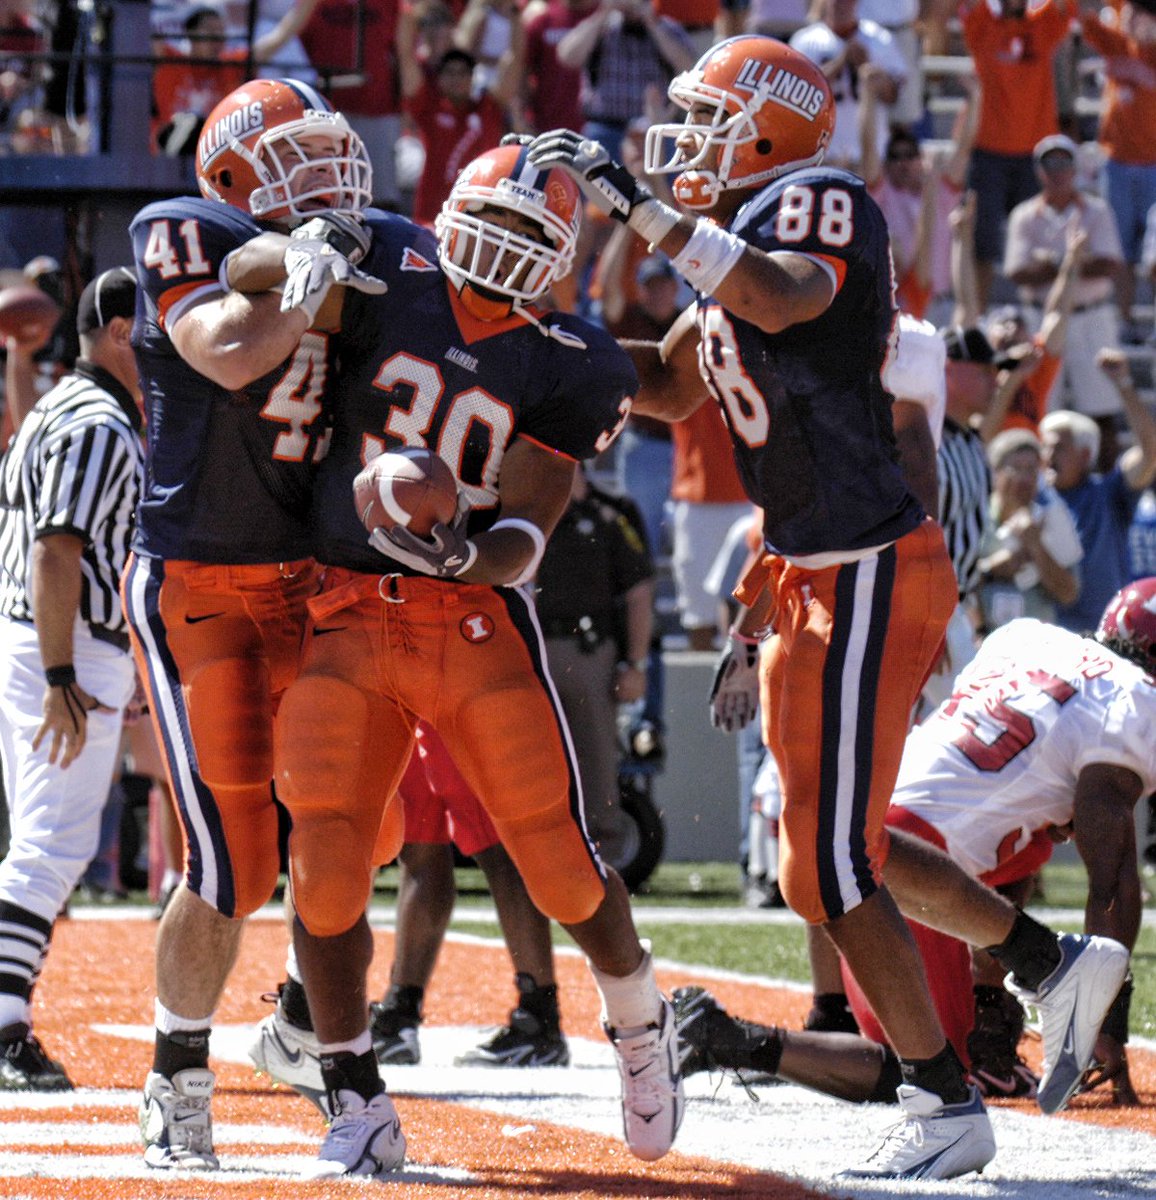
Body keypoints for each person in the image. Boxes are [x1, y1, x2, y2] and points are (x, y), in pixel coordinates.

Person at [525, 34, 1123, 1179]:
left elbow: (779, 296)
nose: (686, 142)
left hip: (864, 565)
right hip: (809, 571)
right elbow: (668, 384)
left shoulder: (818, 203)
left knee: (827, 870)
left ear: (770, 121)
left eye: (709, 117)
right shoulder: (731, 243)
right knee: (828, 856)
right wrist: (541, 354)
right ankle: (1051, 964)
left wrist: (650, 219)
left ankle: (944, 1103)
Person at [230, 141, 684, 1167]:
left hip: (469, 617)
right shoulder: (389, 258)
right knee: (330, 861)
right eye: (499, 219)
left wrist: (470, 550)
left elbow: (531, 520)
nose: (508, 244)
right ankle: (351, 1087)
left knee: (561, 863)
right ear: (450, 207)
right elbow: (244, 272)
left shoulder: (575, 356)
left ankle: (638, 1022)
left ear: (562, 250)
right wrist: (298, 247)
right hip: (344, 607)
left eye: (534, 231)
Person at [121, 78, 387, 1176]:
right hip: (200, 586)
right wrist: (312, 271)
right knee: (231, 862)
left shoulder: (348, 247)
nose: (327, 178)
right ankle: (175, 1073)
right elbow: (229, 350)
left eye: (333, 155)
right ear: (232, 170)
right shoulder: (183, 228)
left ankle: (303, 1030)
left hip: (309, 585)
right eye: (297, 159)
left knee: (352, 837)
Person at [676, 580, 1148, 1109]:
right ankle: (728, 1038)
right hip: (910, 855)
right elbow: (1113, 882)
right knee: (922, 1073)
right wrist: (1108, 1024)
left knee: (1031, 836)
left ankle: (984, 1007)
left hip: (861, 804)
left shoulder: (1026, 637)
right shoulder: (1138, 703)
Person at [0, 267, 143, 1089]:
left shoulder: (59, 404)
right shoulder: (97, 422)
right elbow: (60, 550)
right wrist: (63, 672)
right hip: (65, 643)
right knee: (53, 846)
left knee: (40, 840)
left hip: (43, 638)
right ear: (120, 332)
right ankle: (6, 1022)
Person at [367, 724, 569, 1069]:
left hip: (454, 694)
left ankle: (540, 1018)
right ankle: (399, 1015)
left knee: (498, 843)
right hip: (407, 697)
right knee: (418, 847)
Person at [534, 465, 655, 870]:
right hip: (528, 647)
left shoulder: (611, 513)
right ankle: (537, 858)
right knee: (529, 758)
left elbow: (639, 591)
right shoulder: (523, 506)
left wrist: (635, 664)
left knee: (596, 761)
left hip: (588, 652)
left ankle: (603, 861)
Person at [1004, 134, 1127, 464]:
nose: (1057, 171)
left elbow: (1110, 263)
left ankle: (1106, 489)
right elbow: (1017, 271)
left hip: (1091, 316)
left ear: (1075, 169)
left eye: (1064, 163)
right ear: (1038, 170)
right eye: (1050, 163)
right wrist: (1071, 260)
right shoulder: (1024, 215)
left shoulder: (1097, 210)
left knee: (1102, 408)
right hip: (1040, 318)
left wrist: (1054, 263)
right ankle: (1042, 484)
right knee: (1041, 407)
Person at [959, 0, 1074, 309]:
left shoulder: (1042, 25)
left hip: (1034, 156)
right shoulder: (982, 26)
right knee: (982, 246)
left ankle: (1039, 315)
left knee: (1040, 247)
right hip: (988, 153)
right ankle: (976, 318)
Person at [1041, 349, 1156, 637]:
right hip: (1049, 638)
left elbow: (1149, 453)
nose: (1049, 456)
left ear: (1085, 455)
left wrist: (1124, 384)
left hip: (1104, 638)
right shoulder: (1030, 496)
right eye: (1046, 447)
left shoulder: (1107, 494)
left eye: (1059, 448)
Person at [397, 3, 524, 227]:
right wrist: (407, 9)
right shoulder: (429, 106)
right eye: (450, 72)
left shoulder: (488, 107)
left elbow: (515, 57)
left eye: (463, 72)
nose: (457, 78)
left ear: (473, 77)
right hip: (430, 217)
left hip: (478, 217)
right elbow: (406, 53)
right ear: (439, 78)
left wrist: (515, 15)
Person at [1076, 0, 1156, 339]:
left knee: (1154, 255)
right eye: (1134, 10)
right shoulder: (1115, 42)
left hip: (1154, 164)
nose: (1138, 18)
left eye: (1146, 12)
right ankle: (1123, 320)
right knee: (1118, 250)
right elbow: (1080, 14)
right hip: (1117, 163)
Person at [555, 0, 695, 160]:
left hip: (652, 128)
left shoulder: (664, 27)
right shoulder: (602, 25)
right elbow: (567, 57)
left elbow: (688, 66)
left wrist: (651, 23)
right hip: (606, 128)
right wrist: (604, 13)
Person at [977, 428, 1082, 631]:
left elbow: (1069, 594)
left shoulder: (1052, 521)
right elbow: (953, 585)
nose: (1024, 478)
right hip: (983, 643)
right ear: (995, 472)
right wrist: (991, 569)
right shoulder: (975, 518)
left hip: (1035, 648)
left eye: (1032, 469)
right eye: (1016, 468)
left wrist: (1036, 546)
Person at [789, 0, 907, 171]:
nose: (842, 6)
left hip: (869, 152)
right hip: (821, 152)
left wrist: (868, 68)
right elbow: (798, 95)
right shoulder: (806, 40)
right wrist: (840, 62)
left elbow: (894, 97)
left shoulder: (879, 37)